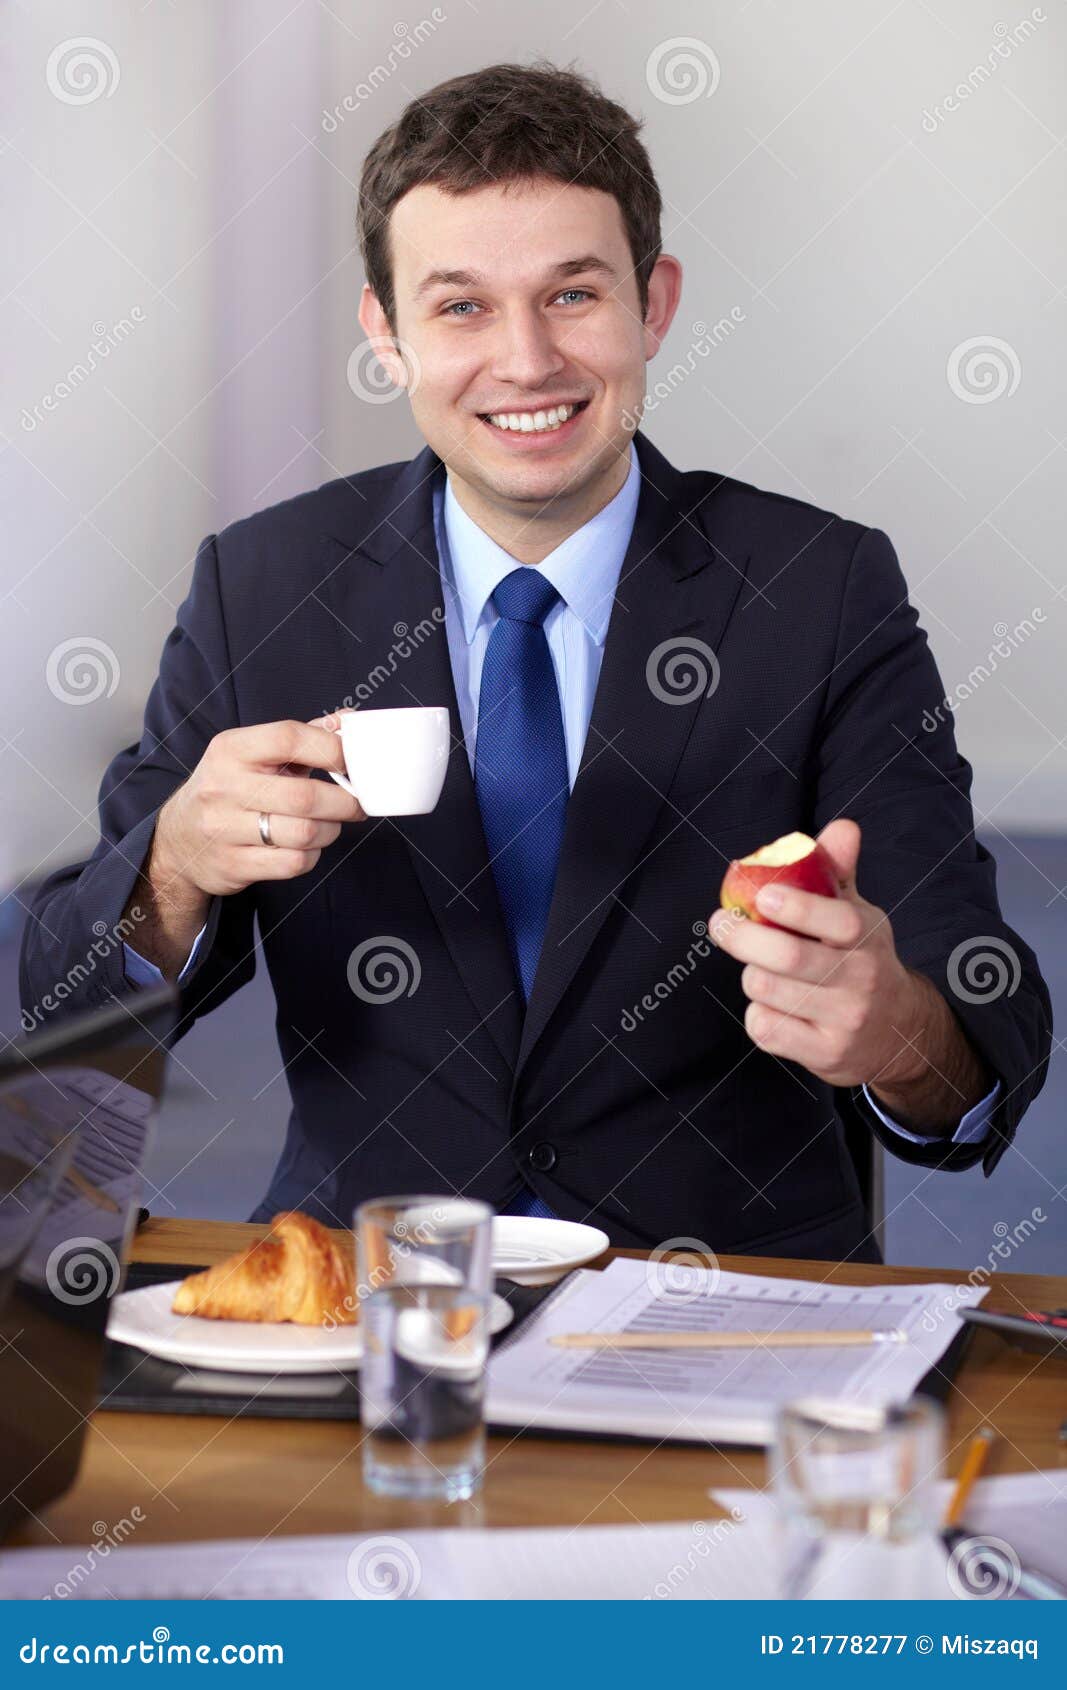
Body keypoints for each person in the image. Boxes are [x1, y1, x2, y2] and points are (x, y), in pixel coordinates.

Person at [20, 62, 1051, 1261]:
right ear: (385, 331)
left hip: (721, 1305)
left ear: (651, 304)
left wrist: (889, 1032)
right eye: (459, 306)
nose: (523, 361)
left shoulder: (818, 590)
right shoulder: (263, 587)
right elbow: (57, 1007)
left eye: (570, 294)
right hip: (366, 1295)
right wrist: (174, 869)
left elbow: (984, 1037)